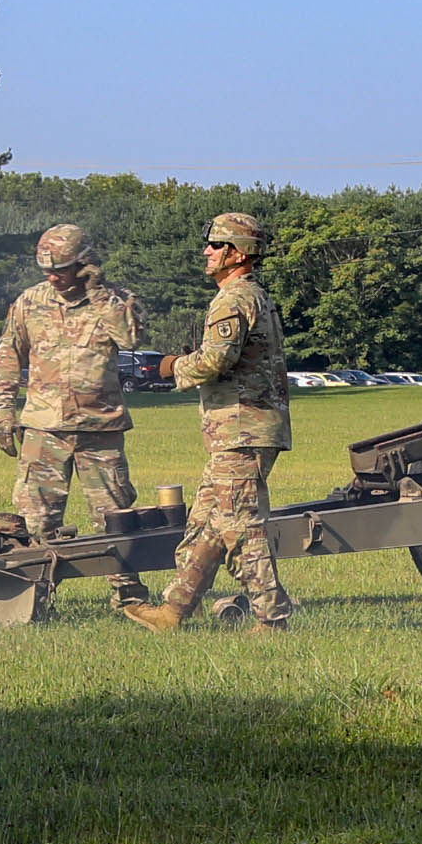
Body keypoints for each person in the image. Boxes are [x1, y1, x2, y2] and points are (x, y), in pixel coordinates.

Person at [126, 211, 293, 632]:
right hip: (242, 429)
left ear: (238, 253)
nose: (208, 251)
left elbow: (216, 360)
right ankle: (174, 611)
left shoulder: (234, 299)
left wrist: (170, 367)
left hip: (242, 429)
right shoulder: (255, 295)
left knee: (240, 525)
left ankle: (272, 619)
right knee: (206, 525)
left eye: (217, 245)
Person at [0, 222, 143, 543]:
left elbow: (129, 338)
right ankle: (39, 592)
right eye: (47, 270)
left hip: (99, 430)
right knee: (36, 524)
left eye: (61, 269)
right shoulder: (29, 302)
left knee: (114, 522)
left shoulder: (115, 300)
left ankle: (128, 594)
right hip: (44, 431)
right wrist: (3, 413)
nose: (53, 277)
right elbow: (8, 358)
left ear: (84, 264)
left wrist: (98, 293)